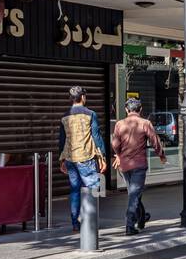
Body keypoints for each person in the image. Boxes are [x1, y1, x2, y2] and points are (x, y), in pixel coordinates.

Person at [110, 98, 166, 235]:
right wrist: (161, 155)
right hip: (139, 165)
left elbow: (115, 144)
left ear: (126, 110)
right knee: (134, 195)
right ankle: (130, 225)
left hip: (124, 165)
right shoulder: (145, 123)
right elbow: (155, 141)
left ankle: (142, 218)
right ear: (140, 109)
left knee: (133, 194)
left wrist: (118, 155)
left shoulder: (119, 124)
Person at [58, 86, 107, 232]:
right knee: (92, 188)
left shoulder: (65, 116)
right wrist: (102, 156)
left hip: (70, 158)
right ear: (83, 97)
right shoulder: (90, 114)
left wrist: (61, 159)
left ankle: (75, 223)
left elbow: (61, 139)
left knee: (74, 189)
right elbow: (96, 136)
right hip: (86, 156)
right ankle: (90, 222)